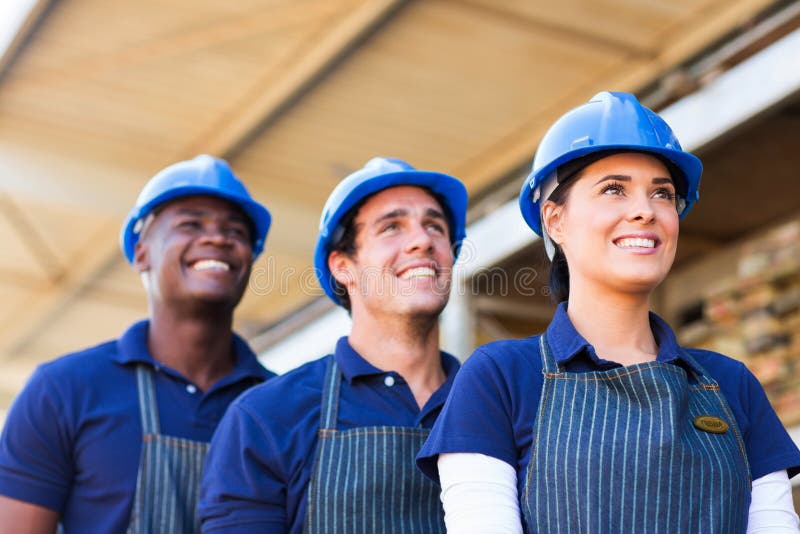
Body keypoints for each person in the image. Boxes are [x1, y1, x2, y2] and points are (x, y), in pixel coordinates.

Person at [417, 92, 800, 533]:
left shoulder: (732, 385)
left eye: (662, 193)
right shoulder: (500, 378)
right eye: (614, 189)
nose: (644, 211)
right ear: (555, 220)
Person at [0, 155, 276, 533]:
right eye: (190, 224)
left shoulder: (281, 405)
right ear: (142, 252)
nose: (217, 238)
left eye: (236, 231)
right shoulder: (64, 390)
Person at [198, 157, 468, 533]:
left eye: (435, 226)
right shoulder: (268, 417)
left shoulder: (496, 404)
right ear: (342, 266)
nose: (423, 240)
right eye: (392, 227)